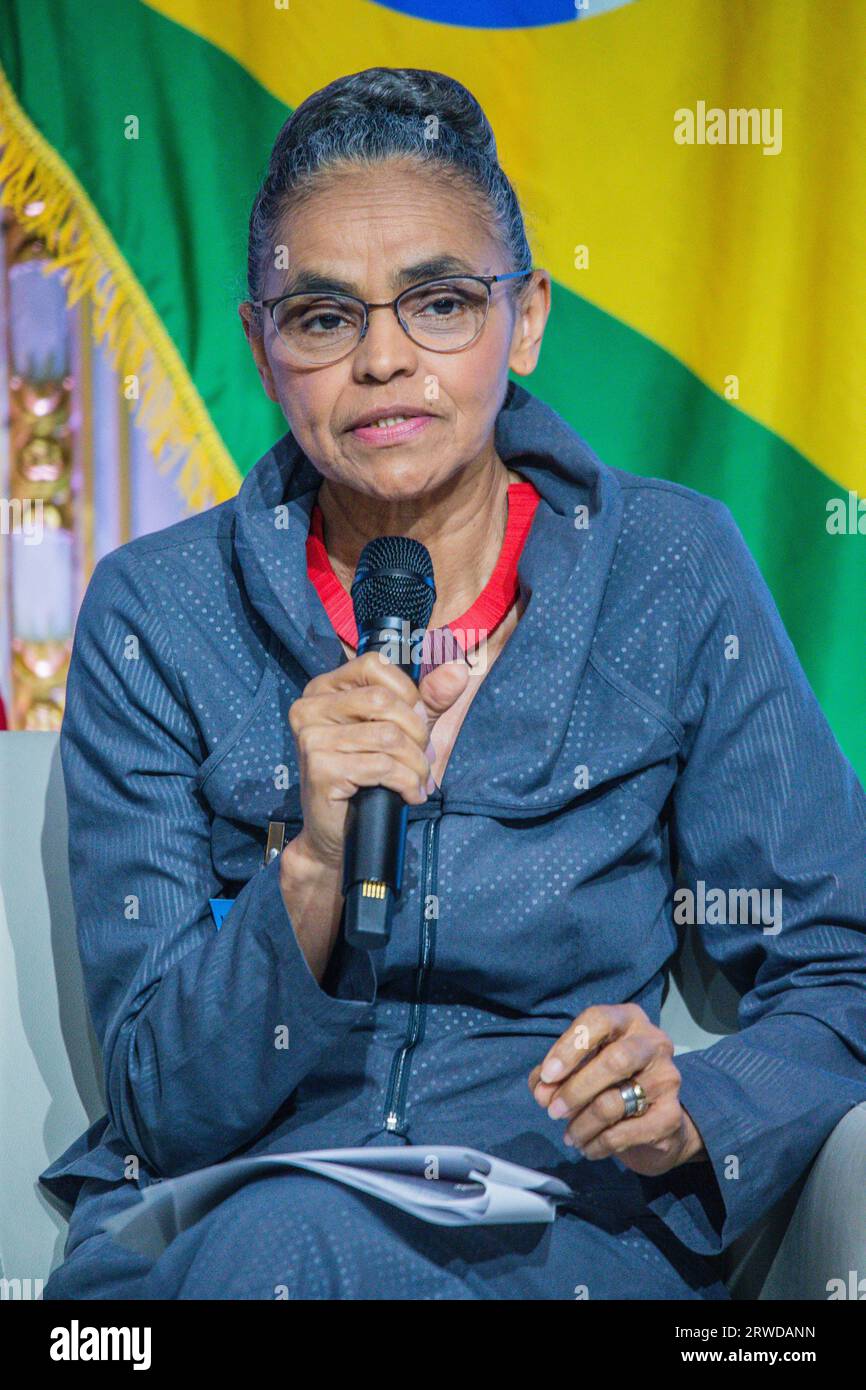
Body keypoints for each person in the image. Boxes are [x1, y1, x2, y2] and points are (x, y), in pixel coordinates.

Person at [40, 67, 866, 1301]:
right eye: (322, 317)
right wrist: (311, 871)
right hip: (225, 1237)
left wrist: (695, 1107)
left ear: (523, 319)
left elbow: (838, 964)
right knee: (288, 1249)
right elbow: (162, 1104)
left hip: (554, 1235)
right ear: (265, 347)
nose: (381, 361)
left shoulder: (672, 572)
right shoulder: (155, 614)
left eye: (436, 303)